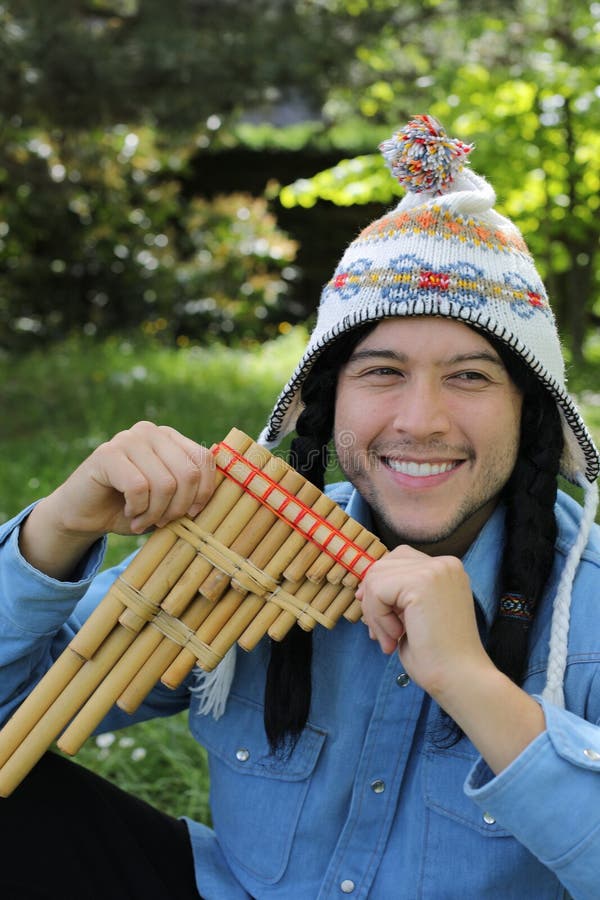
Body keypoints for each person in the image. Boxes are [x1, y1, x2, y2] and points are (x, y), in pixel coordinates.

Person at [1, 114, 599, 899]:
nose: (420, 420)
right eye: (381, 371)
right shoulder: (248, 548)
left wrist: (469, 679)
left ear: (530, 411)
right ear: (326, 403)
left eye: (470, 376)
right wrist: (57, 530)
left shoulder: (584, 610)